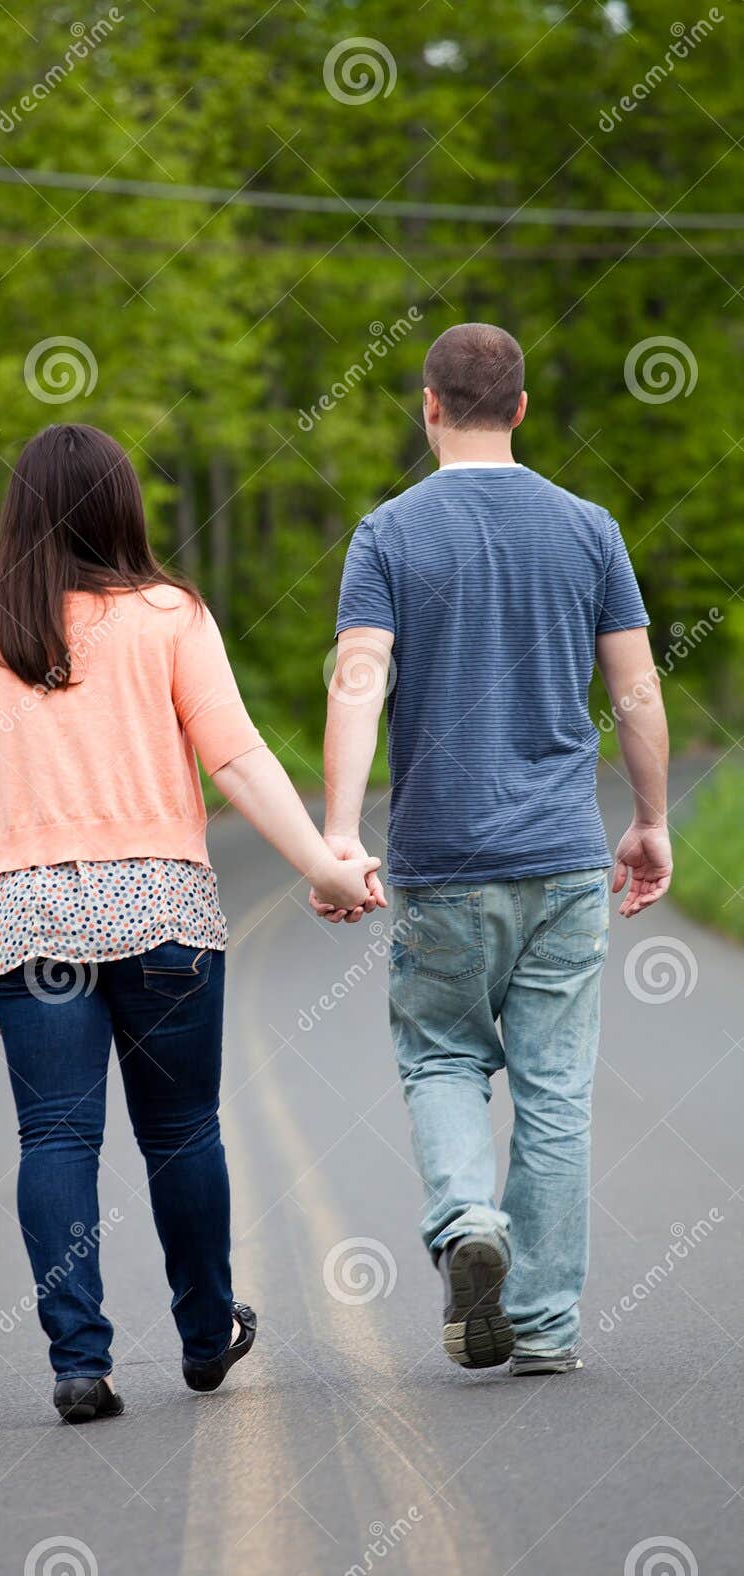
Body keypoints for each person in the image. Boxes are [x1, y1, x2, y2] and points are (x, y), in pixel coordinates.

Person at [0, 422, 378, 1424]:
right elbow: (236, 759)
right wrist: (325, 865)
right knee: (180, 1129)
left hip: (28, 917)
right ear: (118, 509)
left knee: (53, 1135)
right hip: (161, 907)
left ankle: (78, 1362)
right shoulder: (171, 614)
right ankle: (203, 1328)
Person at [314, 323, 671, 1376]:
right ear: (517, 408)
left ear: (426, 404)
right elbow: (635, 689)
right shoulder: (587, 527)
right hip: (562, 858)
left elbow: (355, 682)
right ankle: (547, 1326)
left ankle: (468, 1215)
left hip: (440, 859)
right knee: (554, 1091)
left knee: (441, 1056)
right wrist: (649, 821)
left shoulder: (386, 533)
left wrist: (338, 833)